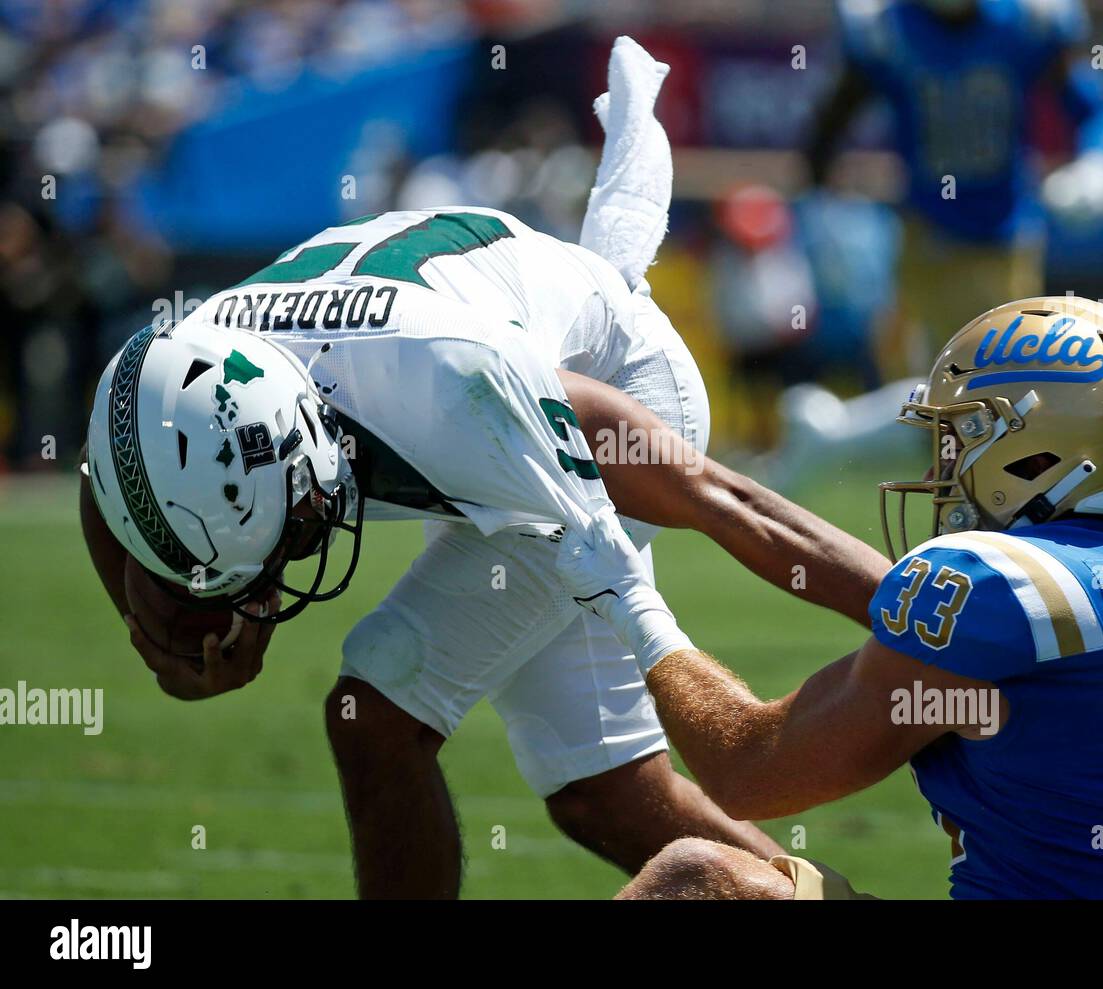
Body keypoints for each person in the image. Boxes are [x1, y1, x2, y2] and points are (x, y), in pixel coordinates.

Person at [79, 39, 895, 898]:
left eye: (306, 513)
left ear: (320, 437)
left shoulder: (461, 384)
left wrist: (925, 614)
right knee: (603, 794)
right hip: (478, 361)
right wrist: (151, 630)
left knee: (377, 710)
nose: (308, 536)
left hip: (607, 390)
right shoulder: (167, 379)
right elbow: (106, 480)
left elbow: (724, 499)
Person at [558, 297, 1103, 899]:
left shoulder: (997, 582)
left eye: (963, 435)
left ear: (1040, 450)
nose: (942, 464)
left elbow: (748, 772)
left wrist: (632, 601)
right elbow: (989, 642)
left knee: (696, 878)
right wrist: (715, 500)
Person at [773, 0, 1103, 489]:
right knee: (981, 401)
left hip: (999, 239)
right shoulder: (888, 29)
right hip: (924, 239)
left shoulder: (1027, 23)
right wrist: (820, 205)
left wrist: (1101, 165)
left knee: (985, 399)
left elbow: (1100, 113)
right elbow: (830, 124)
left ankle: (833, 435)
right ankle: (833, 437)